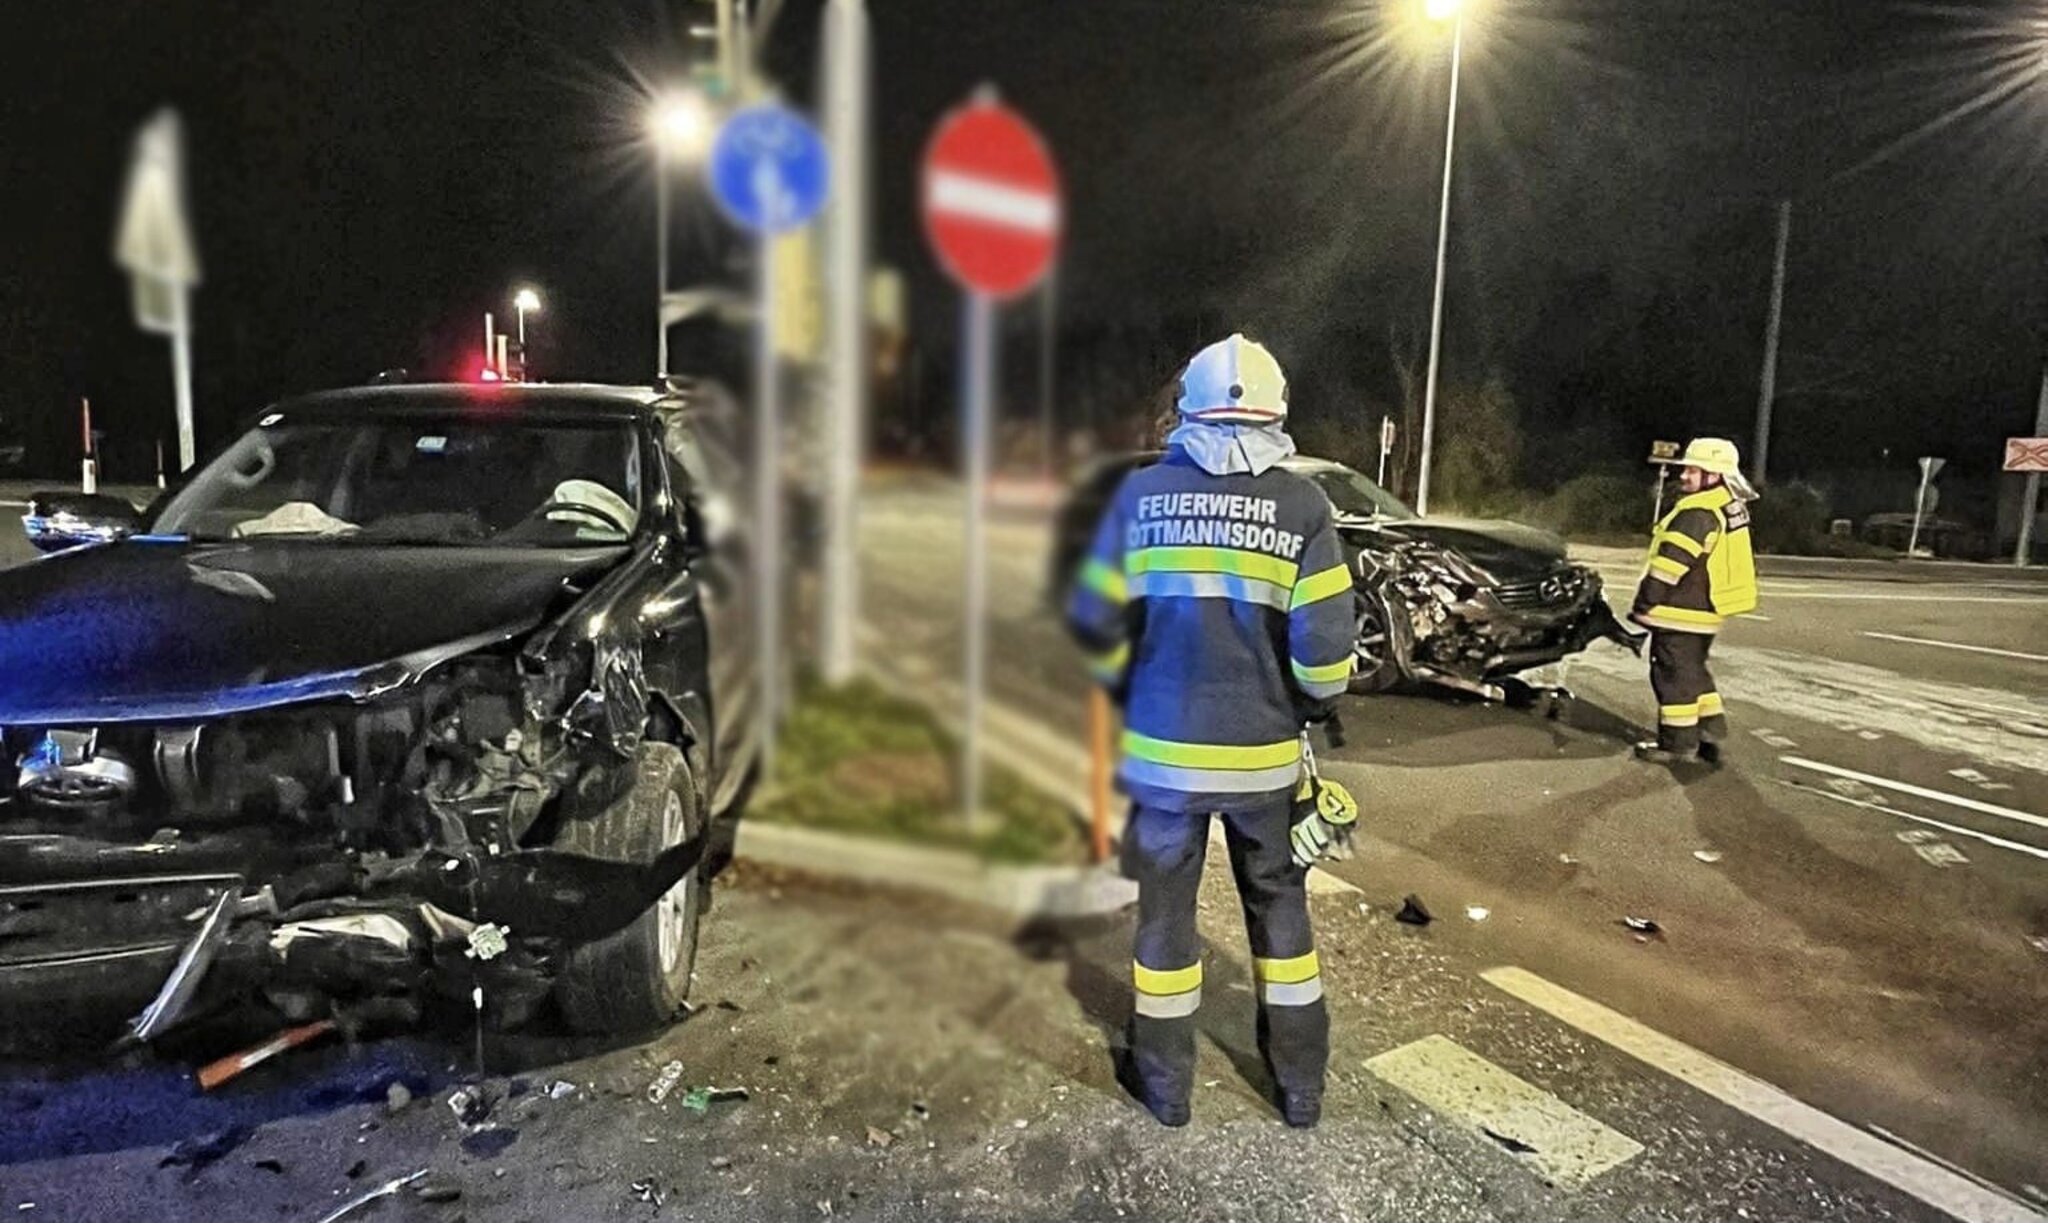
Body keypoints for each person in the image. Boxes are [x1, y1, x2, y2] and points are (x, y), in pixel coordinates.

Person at [1066, 334, 1357, 1129]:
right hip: (1265, 766)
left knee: (1165, 918)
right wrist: (1305, 705)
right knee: (1282, 913)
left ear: (1184, 412)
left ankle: (1166, 1089)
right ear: (1276, 413)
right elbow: (1327, 662)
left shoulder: (1135, 498)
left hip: (1160, 764)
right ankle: (1300, 1087)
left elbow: (1092, 630)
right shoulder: (1304, 509)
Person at [1630, 437, 1759, 764]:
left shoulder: (1697, 512)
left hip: (1679, 612)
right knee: (1693, 673)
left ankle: (1676, 746)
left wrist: (1645, 603)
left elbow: (1669, 565)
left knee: (1672, 678)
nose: (1684, 476)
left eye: (1692, 470)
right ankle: (1709, 732)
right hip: (1705, 612)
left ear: (1713, 476)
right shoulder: (1726, 506)